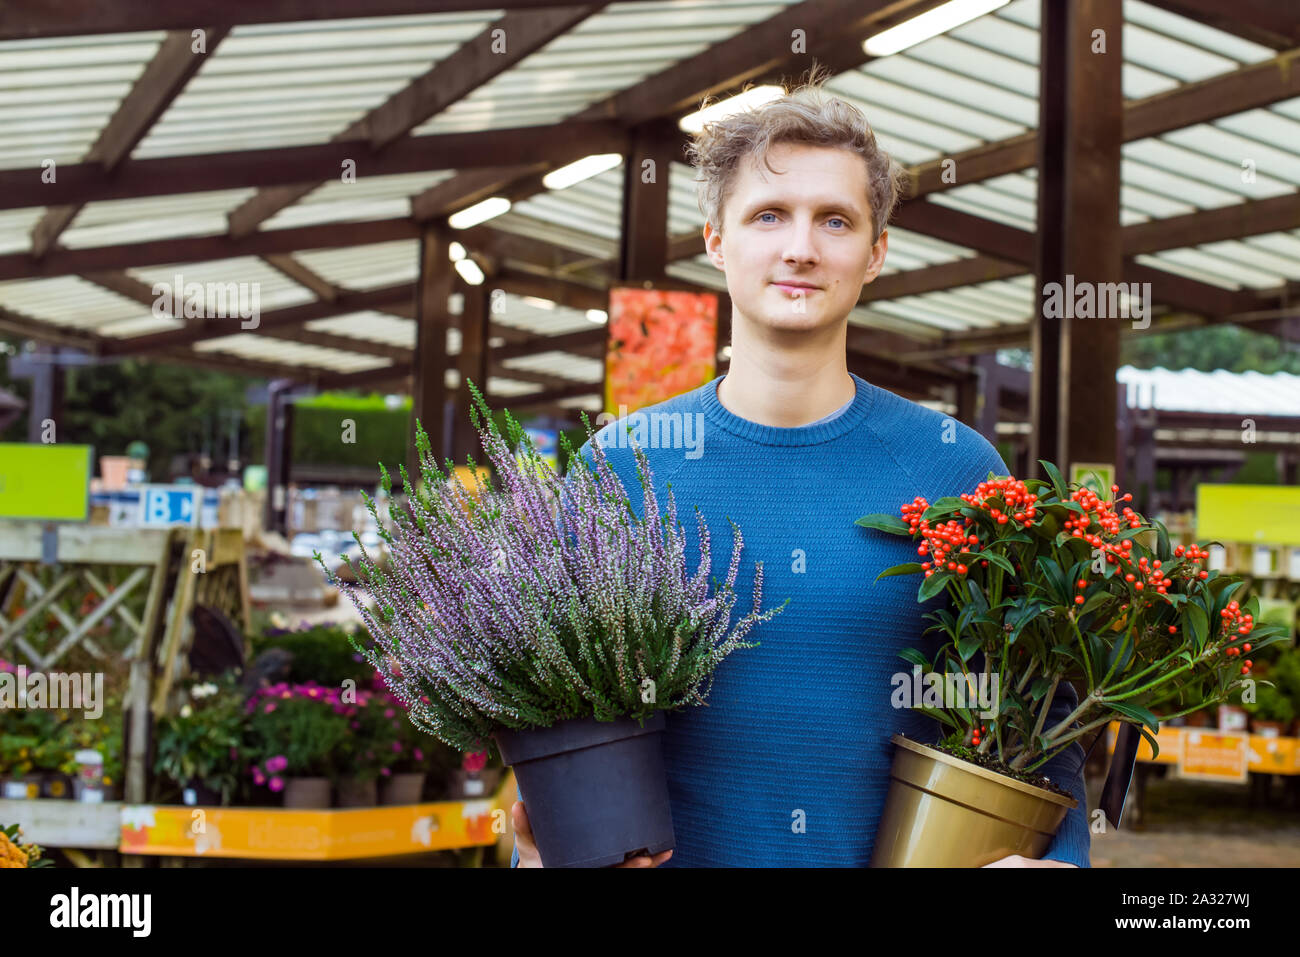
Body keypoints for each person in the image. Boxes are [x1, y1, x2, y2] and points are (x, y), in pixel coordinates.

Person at [511, 72, 1089, 868]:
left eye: (836, 220)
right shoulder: (621, 467)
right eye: (769, 214)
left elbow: (1039, 704)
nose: (801, 247)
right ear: (716, 240)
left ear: (876, 252)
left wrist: (1060, 862)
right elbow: (552, 716)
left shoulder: (956, 468)